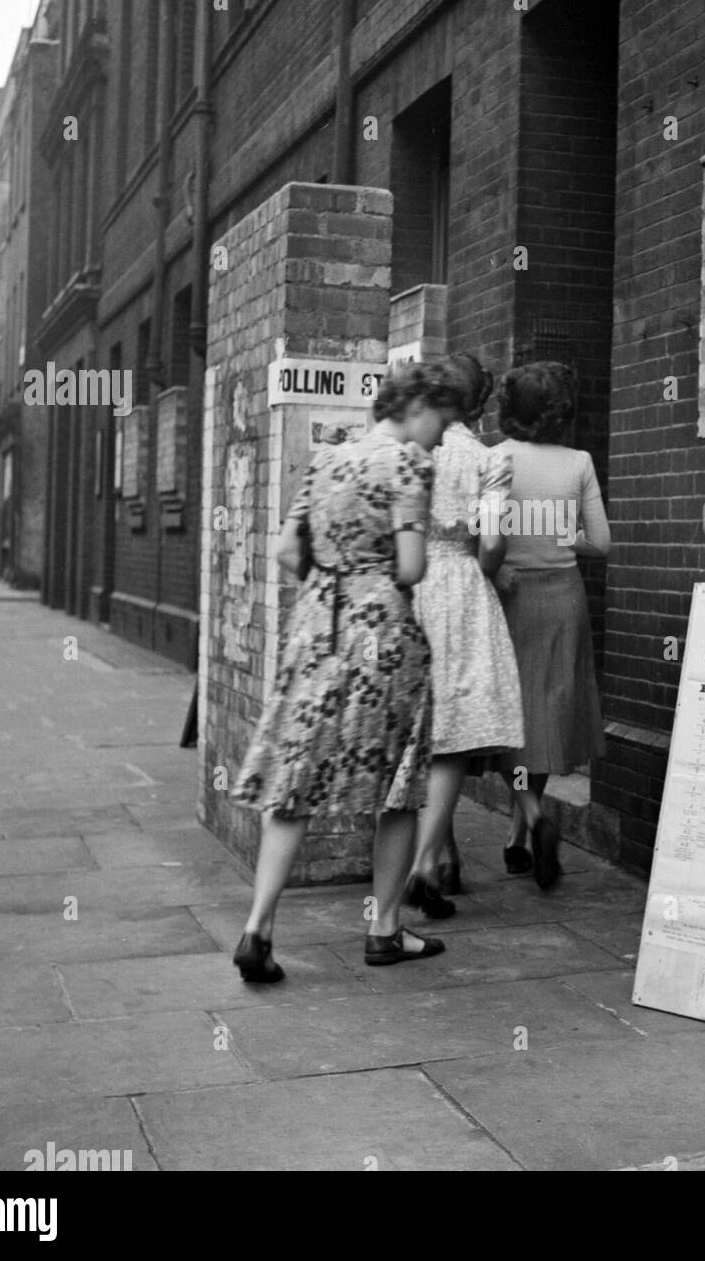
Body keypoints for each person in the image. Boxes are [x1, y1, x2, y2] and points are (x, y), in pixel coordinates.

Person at [229, 361, 466, 982]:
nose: (442, 434)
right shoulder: (410, 463)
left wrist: (328, 584)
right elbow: (411, 568)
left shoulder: (328, 458)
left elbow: (285, 550)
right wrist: (373, 575)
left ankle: (257, 928)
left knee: (297, 774)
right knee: (400, 778)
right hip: (379, 633)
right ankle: (384, 928)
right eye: (442, 418)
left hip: (315, 625)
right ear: (416, 407)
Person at [404, 353, 524, 918]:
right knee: (454, 728)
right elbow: (494, 544)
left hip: (409, 584)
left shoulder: (406, 447)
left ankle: (425, 859)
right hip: (461, 582)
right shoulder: (487, 457)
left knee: (414, 725)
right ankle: (427, 862)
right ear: (479, 402)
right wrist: (482, 563)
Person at [493, 362, 611, 888]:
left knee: (509, 717)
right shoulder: (579, 462)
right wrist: (563, 535)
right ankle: (520, 835)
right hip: (564, 596)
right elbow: (601, 544)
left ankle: (532, 821)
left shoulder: (495, 459)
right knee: (543, 714)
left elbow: (482, 534)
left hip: (509, 596)